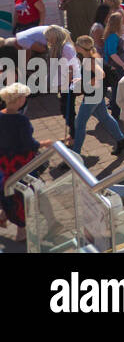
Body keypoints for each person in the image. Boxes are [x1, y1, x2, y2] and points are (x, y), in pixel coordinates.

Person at [0, 83, 51, 243]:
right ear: (19, 100)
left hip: (3, 163)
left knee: (8, 191)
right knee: (23, 195)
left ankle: (3, 215)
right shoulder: (21, 121)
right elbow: (30, 144)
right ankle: (21, 231)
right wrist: (46, 143)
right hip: (21, 164)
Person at [70, 36, 124, 157]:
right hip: (97, 93)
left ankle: (75, 155)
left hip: (93, 96)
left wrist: (86, 82)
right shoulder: (91, 56)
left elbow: (101, 74)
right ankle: (121, 141)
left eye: (77, 44)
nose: (75, 46)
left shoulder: (90, 60)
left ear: (81, 47)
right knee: (105, 117)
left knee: (79, 124)